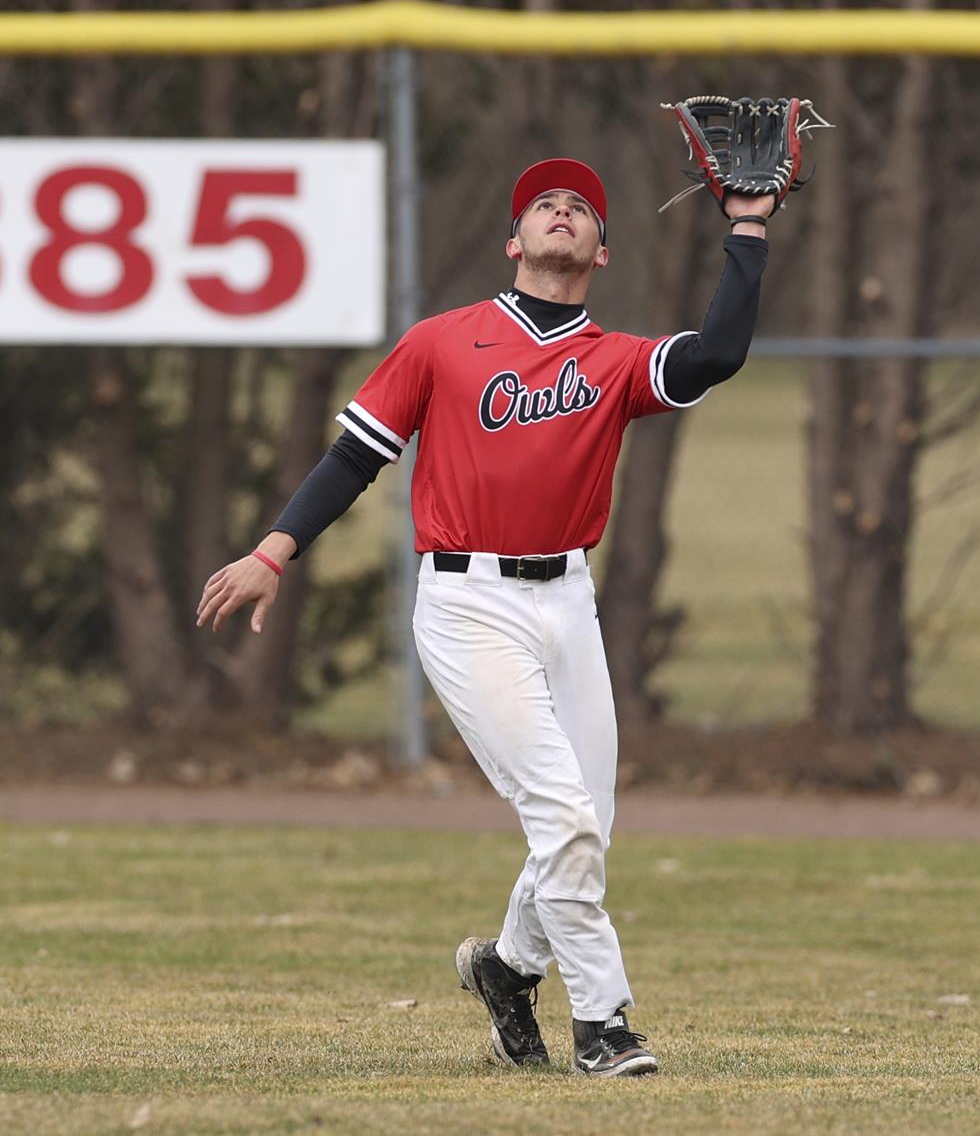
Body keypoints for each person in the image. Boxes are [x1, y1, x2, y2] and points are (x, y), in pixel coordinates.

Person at [197, 155, 775, 1078]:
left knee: (589, 822)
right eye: (543, 203)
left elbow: (718, 352)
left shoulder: (615, 362)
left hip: (566, 600)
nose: (560, 210)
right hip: (468, 600)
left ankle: (506, 970)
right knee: (563, 818)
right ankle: (605, 1024)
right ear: (514, 242)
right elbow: (355, 455)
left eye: (580, 206)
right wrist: (275, 551)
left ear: (600, 250)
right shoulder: (441, 342)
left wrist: (746, 227)